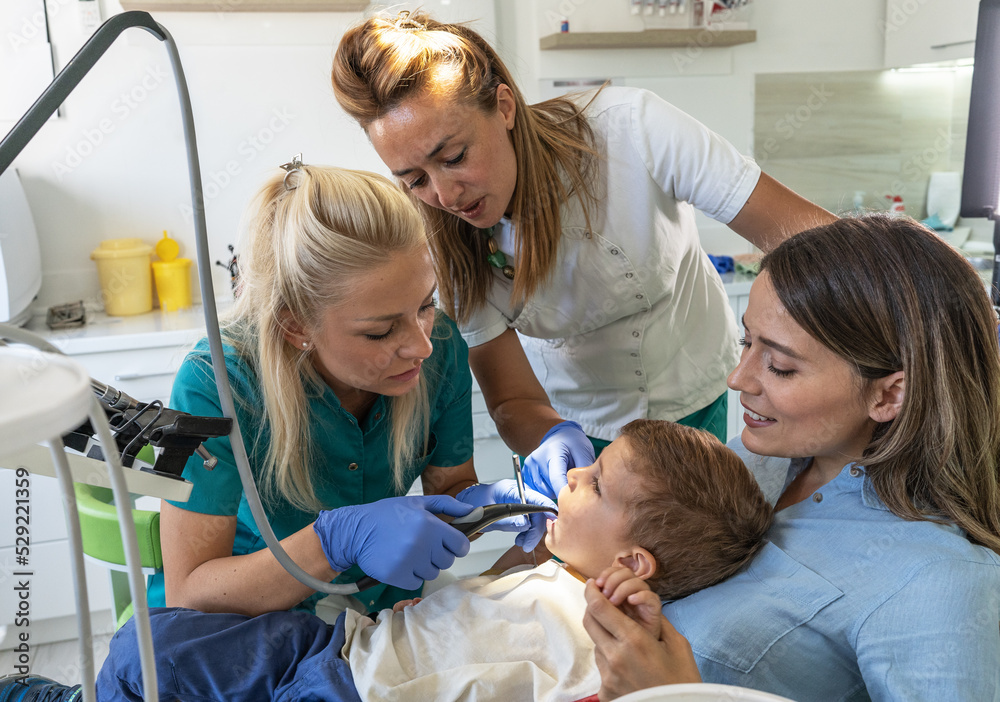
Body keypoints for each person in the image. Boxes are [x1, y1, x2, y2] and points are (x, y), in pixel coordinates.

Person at [329, 9, 838, 500]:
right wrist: (554, 442)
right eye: (414, 179)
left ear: (504, 107)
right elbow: (512, 400)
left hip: (696, 385)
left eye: (454, 157)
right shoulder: (442, 243)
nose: (445, 195)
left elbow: (824, 246)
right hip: (578, 424)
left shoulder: (632, 131)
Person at [0, 420, 773, 701]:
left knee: (146, 671)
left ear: (635, 562)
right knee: (155, 641)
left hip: (350, 691)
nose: (573, 474)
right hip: (341, 641)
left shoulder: (607, 629)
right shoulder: (550, 564)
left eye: (595, 481)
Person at [583, 214, 1000, 701]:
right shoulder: (754, 463)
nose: (738, 379)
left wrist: (678, 696)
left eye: (780, 367)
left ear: (889, 396)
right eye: (746, 342)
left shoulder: (938, 584)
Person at [145, 161, 553, 619]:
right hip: (248, 616)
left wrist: (485, 506)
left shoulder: (441, 350)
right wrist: (333, 540)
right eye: (381, 332)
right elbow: (189, 592)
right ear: (295, 325)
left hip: (382, 601)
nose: (420, 346)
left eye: (426, 305)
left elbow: (451, 486)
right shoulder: (217, 383)